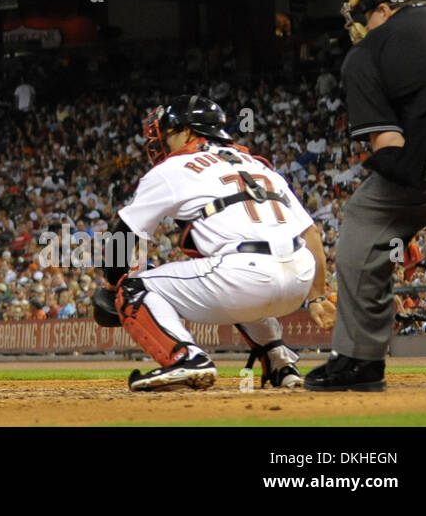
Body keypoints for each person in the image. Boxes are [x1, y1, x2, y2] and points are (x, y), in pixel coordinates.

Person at [92, 96, 333, 392]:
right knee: (233, 275)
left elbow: (122, 234)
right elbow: (311, 236)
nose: (161, 143)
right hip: (299, 280)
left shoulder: (172, 168)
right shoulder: (258, 165)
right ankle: (281, 363)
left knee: (136, 287)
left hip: (244, 278)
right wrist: (318, 297)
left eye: (166, 134)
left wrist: (114, 283)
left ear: (188, 132)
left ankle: (186, 357)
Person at [306, 0, 426, 391]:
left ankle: (358, 360)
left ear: (385, 10)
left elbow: (388, 146)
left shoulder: (368, 52)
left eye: (367, 16)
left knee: (367, 218)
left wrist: (402, 222)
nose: (363, 25)